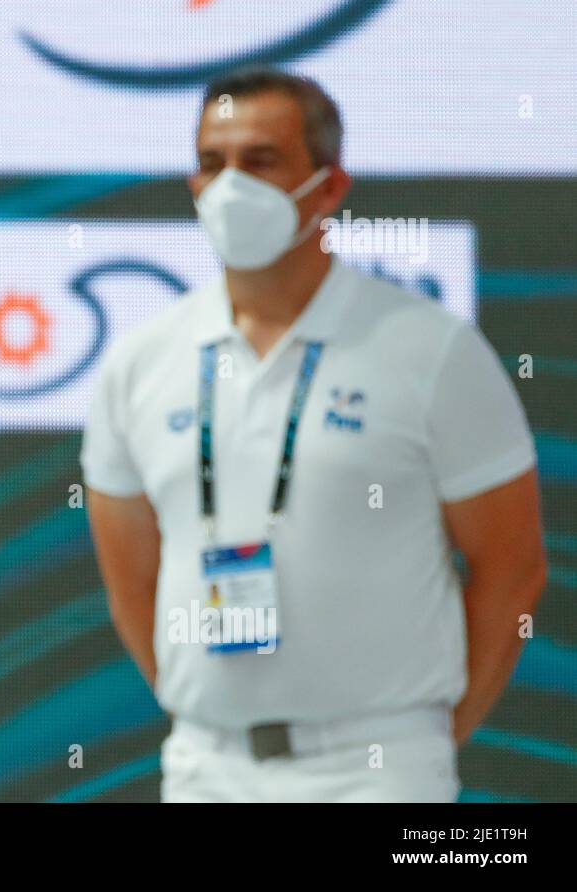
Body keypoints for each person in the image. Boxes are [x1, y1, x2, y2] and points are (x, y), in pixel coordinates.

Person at [79, 67, 546, 802]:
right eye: (211, 162)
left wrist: (423, 742)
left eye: (260, 161)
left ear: (328, 187)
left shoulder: (431, 350)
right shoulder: (142, 361)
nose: (231, 185)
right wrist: (201, 710)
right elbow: (128, 579)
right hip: (205, 763)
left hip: (380, 763)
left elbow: (513, 569)